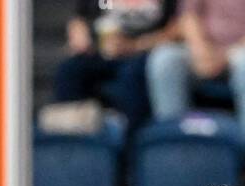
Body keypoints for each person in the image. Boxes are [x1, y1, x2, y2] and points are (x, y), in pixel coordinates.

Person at [146, 0, 245, 133]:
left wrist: (229, 55)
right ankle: (174, 139)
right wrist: (201, 51)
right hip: (209, 50)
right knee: (165, 58)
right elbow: (188, 16)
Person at [53, 0, 181, 130]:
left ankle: (134, 140)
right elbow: (80, 18)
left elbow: (178, 27)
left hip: (147, 52)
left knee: (132, 76)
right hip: (102, 51)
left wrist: (134, 45)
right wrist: (80, 36)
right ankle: (71, 140)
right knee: (70, 69)